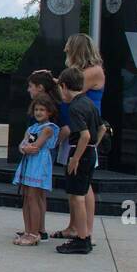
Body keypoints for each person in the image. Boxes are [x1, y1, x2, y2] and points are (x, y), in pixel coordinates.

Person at [52, 35, 105, 242]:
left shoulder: (93, 71)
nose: (65, 51)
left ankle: (86, 230)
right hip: (72, 131)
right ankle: (74, 226)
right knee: (75, 184)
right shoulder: (81, 72)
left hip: (82, 134)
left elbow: (70, 90)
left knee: (84, 185)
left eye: (68, 48)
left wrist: (51, 82)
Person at [55, 66, 100, 255]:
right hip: (91, 154)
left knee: (77, 198)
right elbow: (101, 128)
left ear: (64, 86)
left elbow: (85, 135)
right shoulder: (88, 102)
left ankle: (82, 239)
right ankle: (83, 235)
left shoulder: (74, 107)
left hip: (80, 153)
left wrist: (75, 158)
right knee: (78, 194)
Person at [11, 94, 60, 246]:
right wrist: (25, 148)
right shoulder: (32, 127)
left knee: (33, 196)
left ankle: (34, 233)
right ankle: (27, 231)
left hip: (40, 164)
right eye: (37, 109)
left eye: (42, 110)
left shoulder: (48, 128)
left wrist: (26, 148)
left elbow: (35, 147)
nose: (39, 112)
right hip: (28, 163)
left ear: (49, 112)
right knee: (26, 196)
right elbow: (22, 145)